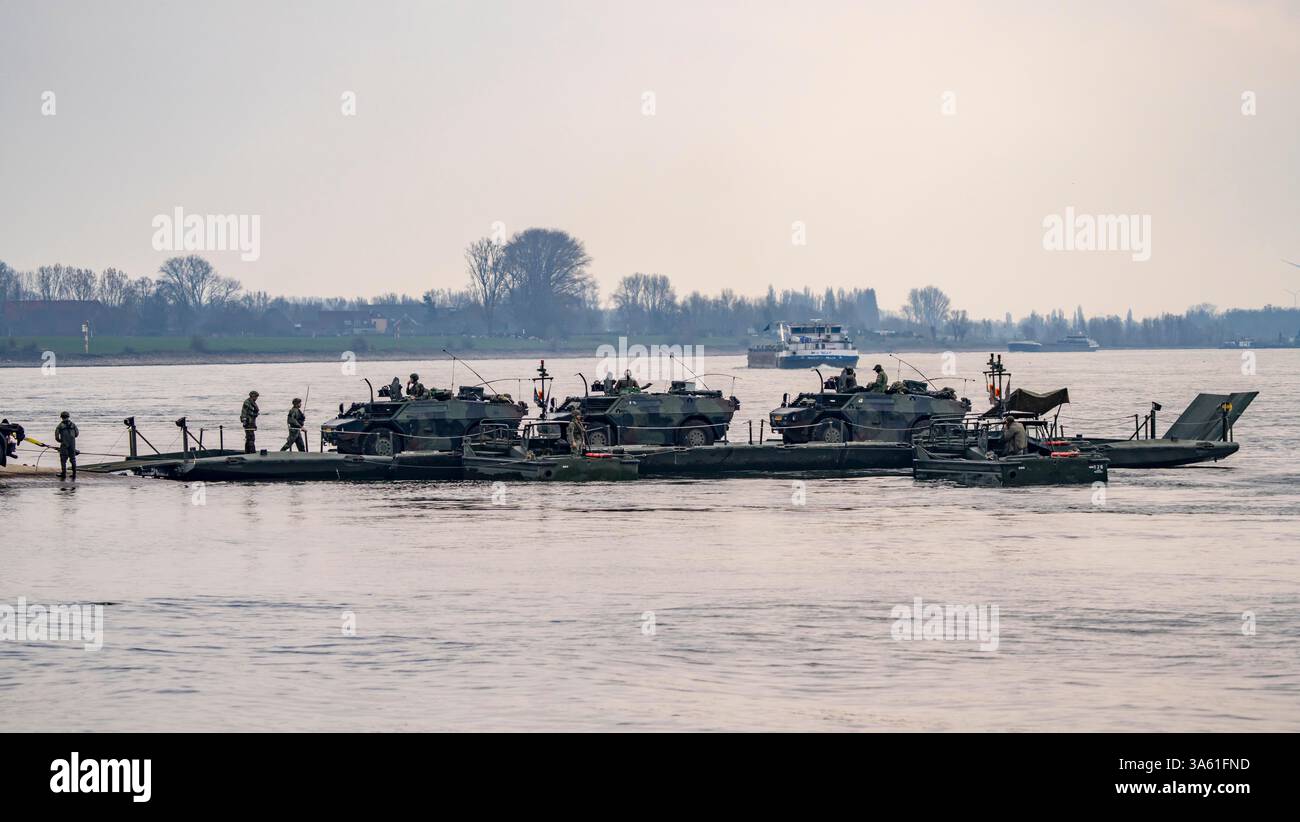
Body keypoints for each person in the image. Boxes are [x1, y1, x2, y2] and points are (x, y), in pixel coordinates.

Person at [54, 411, 79, 480]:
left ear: (61, 417)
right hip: (72, 444)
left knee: (63, 459)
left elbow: (56, 437)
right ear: (68, 417)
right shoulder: (73, 425)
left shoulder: (59, 426)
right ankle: (74, 474)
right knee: (73, 459)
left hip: (64, 444)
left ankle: (63, 473)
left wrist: (61, 441)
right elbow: (77, 434)